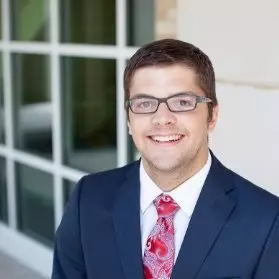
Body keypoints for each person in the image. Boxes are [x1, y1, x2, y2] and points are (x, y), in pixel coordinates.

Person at [51, 39, 279, 279]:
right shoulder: (87, 199)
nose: (162, 118)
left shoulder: (267, 221)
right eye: (145, 103)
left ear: (212, 116)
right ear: (129, 120)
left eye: (182, 102)